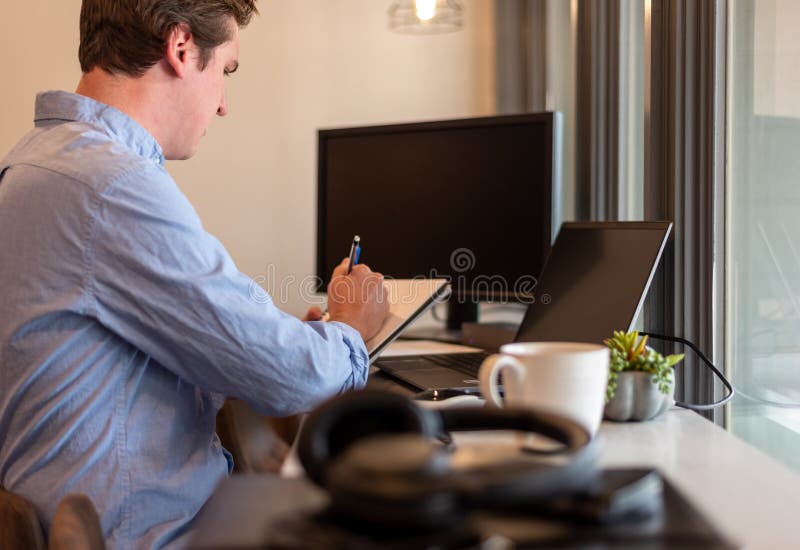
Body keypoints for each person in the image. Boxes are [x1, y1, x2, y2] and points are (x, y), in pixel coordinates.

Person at [0, 1, 388, 548]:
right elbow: (291, 377)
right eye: (225, 71)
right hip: (156, 533)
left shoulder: (34, 164)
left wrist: (287, 343)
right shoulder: (109, 186)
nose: (224, 105)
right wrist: (351, 332)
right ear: (181, 49)